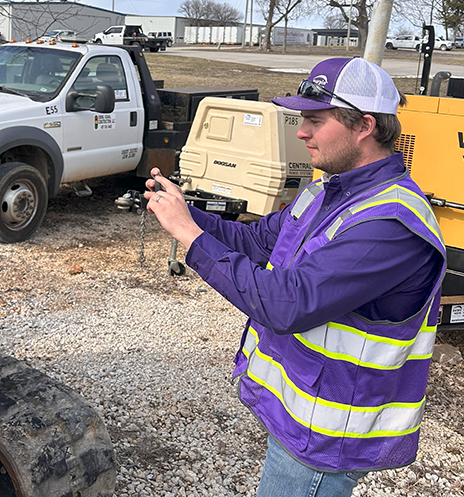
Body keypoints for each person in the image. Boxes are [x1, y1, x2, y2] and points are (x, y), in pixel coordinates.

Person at [144, 57, 447, 497]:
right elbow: (258, 242)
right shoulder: (327, 189)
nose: (301, 132)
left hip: (326, 437)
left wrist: (189, 237)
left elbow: (286, 304)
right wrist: (185, 212)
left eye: (314, 120)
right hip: (301, 417)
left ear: (364, 125)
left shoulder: (390, 223)